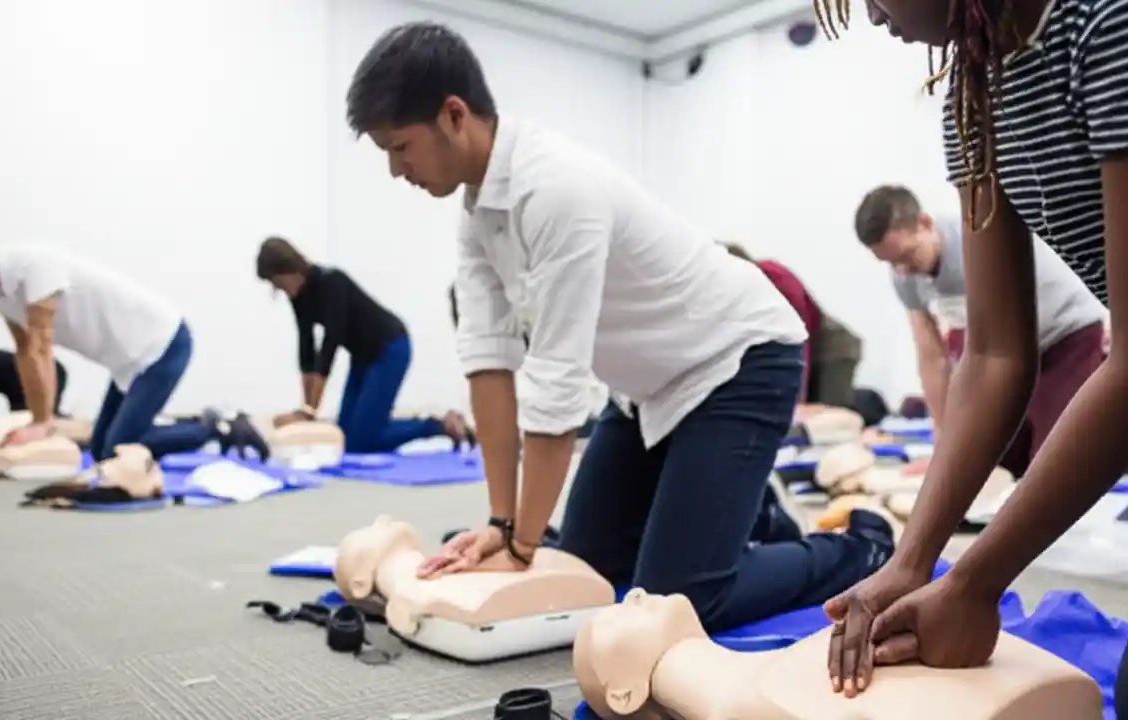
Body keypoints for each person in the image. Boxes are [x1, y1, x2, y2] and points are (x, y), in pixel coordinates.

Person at [345, 21, 895, 632]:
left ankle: (862, 549)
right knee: (592, 569)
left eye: (400, 147)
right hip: (647, 390)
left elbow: (556, 382)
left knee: (679, 599)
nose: (397, 170)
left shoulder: (554, 187)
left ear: (454, 115)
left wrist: (523, 547)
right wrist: (502, 526)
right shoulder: (476, 216)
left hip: (740, 362)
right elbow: (488, 363)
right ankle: (749, 512)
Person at [811, 1, 1128, 716]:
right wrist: (912, 560)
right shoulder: (976, 95)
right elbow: (991, 354)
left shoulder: (1123, 18)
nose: (868, 13)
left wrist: (976, 583)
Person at [853, 185, 1107, 476]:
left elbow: (993, 350)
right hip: (1005, 349)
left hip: (1064, 337)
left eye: (909, 256)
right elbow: (931, 358)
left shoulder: (976, 245)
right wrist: (942, 438)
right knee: (992, 459)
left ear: (925, 223)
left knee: (1054, 463)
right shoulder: (904, 275)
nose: (904, 271)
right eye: (892, 263)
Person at [0, 219, 208, 461]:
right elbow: (23, 353)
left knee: (116, 450)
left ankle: (217, 428)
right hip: (125, 360)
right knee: (99, 451)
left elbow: (40, 347)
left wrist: (44, 424)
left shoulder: (32, 264)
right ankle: (191, 428)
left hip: (160, 344)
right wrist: (36, 419)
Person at [256, 236, 473, 453]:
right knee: (347, 439)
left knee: (363, 439)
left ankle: (438, 426)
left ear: (291, 268)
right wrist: (305, 409)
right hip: (362, 357)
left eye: (280, 283)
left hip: (391, 348)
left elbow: (329, 347)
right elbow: (306, 350)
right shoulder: (299, 297)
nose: (284, 290)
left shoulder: (332, 282)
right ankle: (430, 424)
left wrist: (311, 411)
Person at [723, 243, 864, 409]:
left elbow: (799, 338)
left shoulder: (777, 278)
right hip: (804, 348)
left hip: (833, 349)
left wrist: (797, 400)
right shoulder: (737, 300)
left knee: (829, 417)